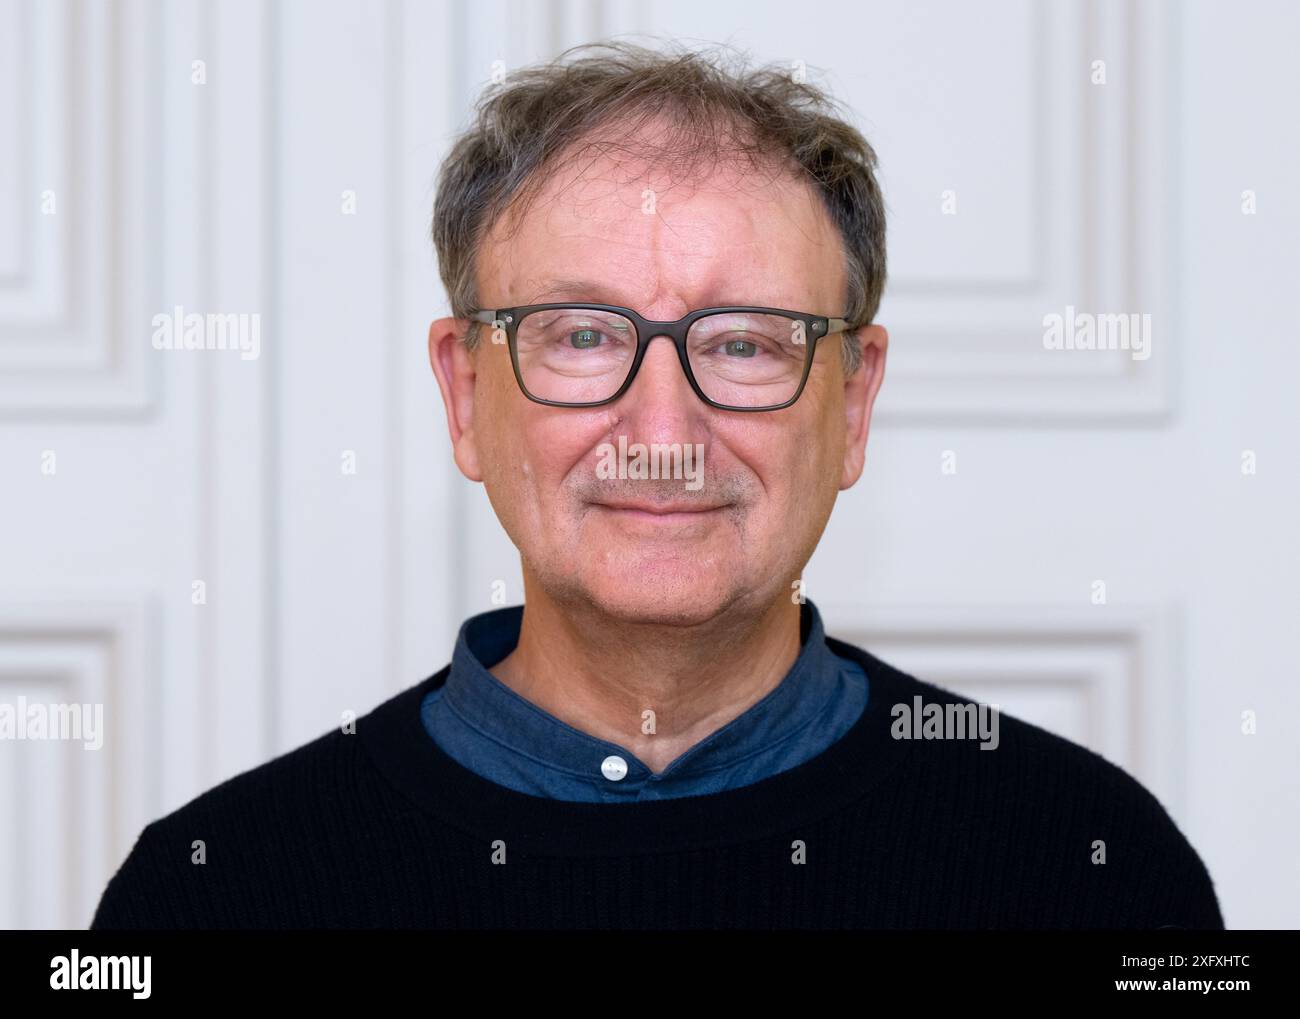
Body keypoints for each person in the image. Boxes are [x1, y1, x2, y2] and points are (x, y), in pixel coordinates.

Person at [92, 41, 1222, 929]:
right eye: (582, 334)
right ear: (463, 393)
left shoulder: (1091, 867)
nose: (664, 429)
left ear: (853, 403)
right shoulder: (215, 893)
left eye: (743, 343)